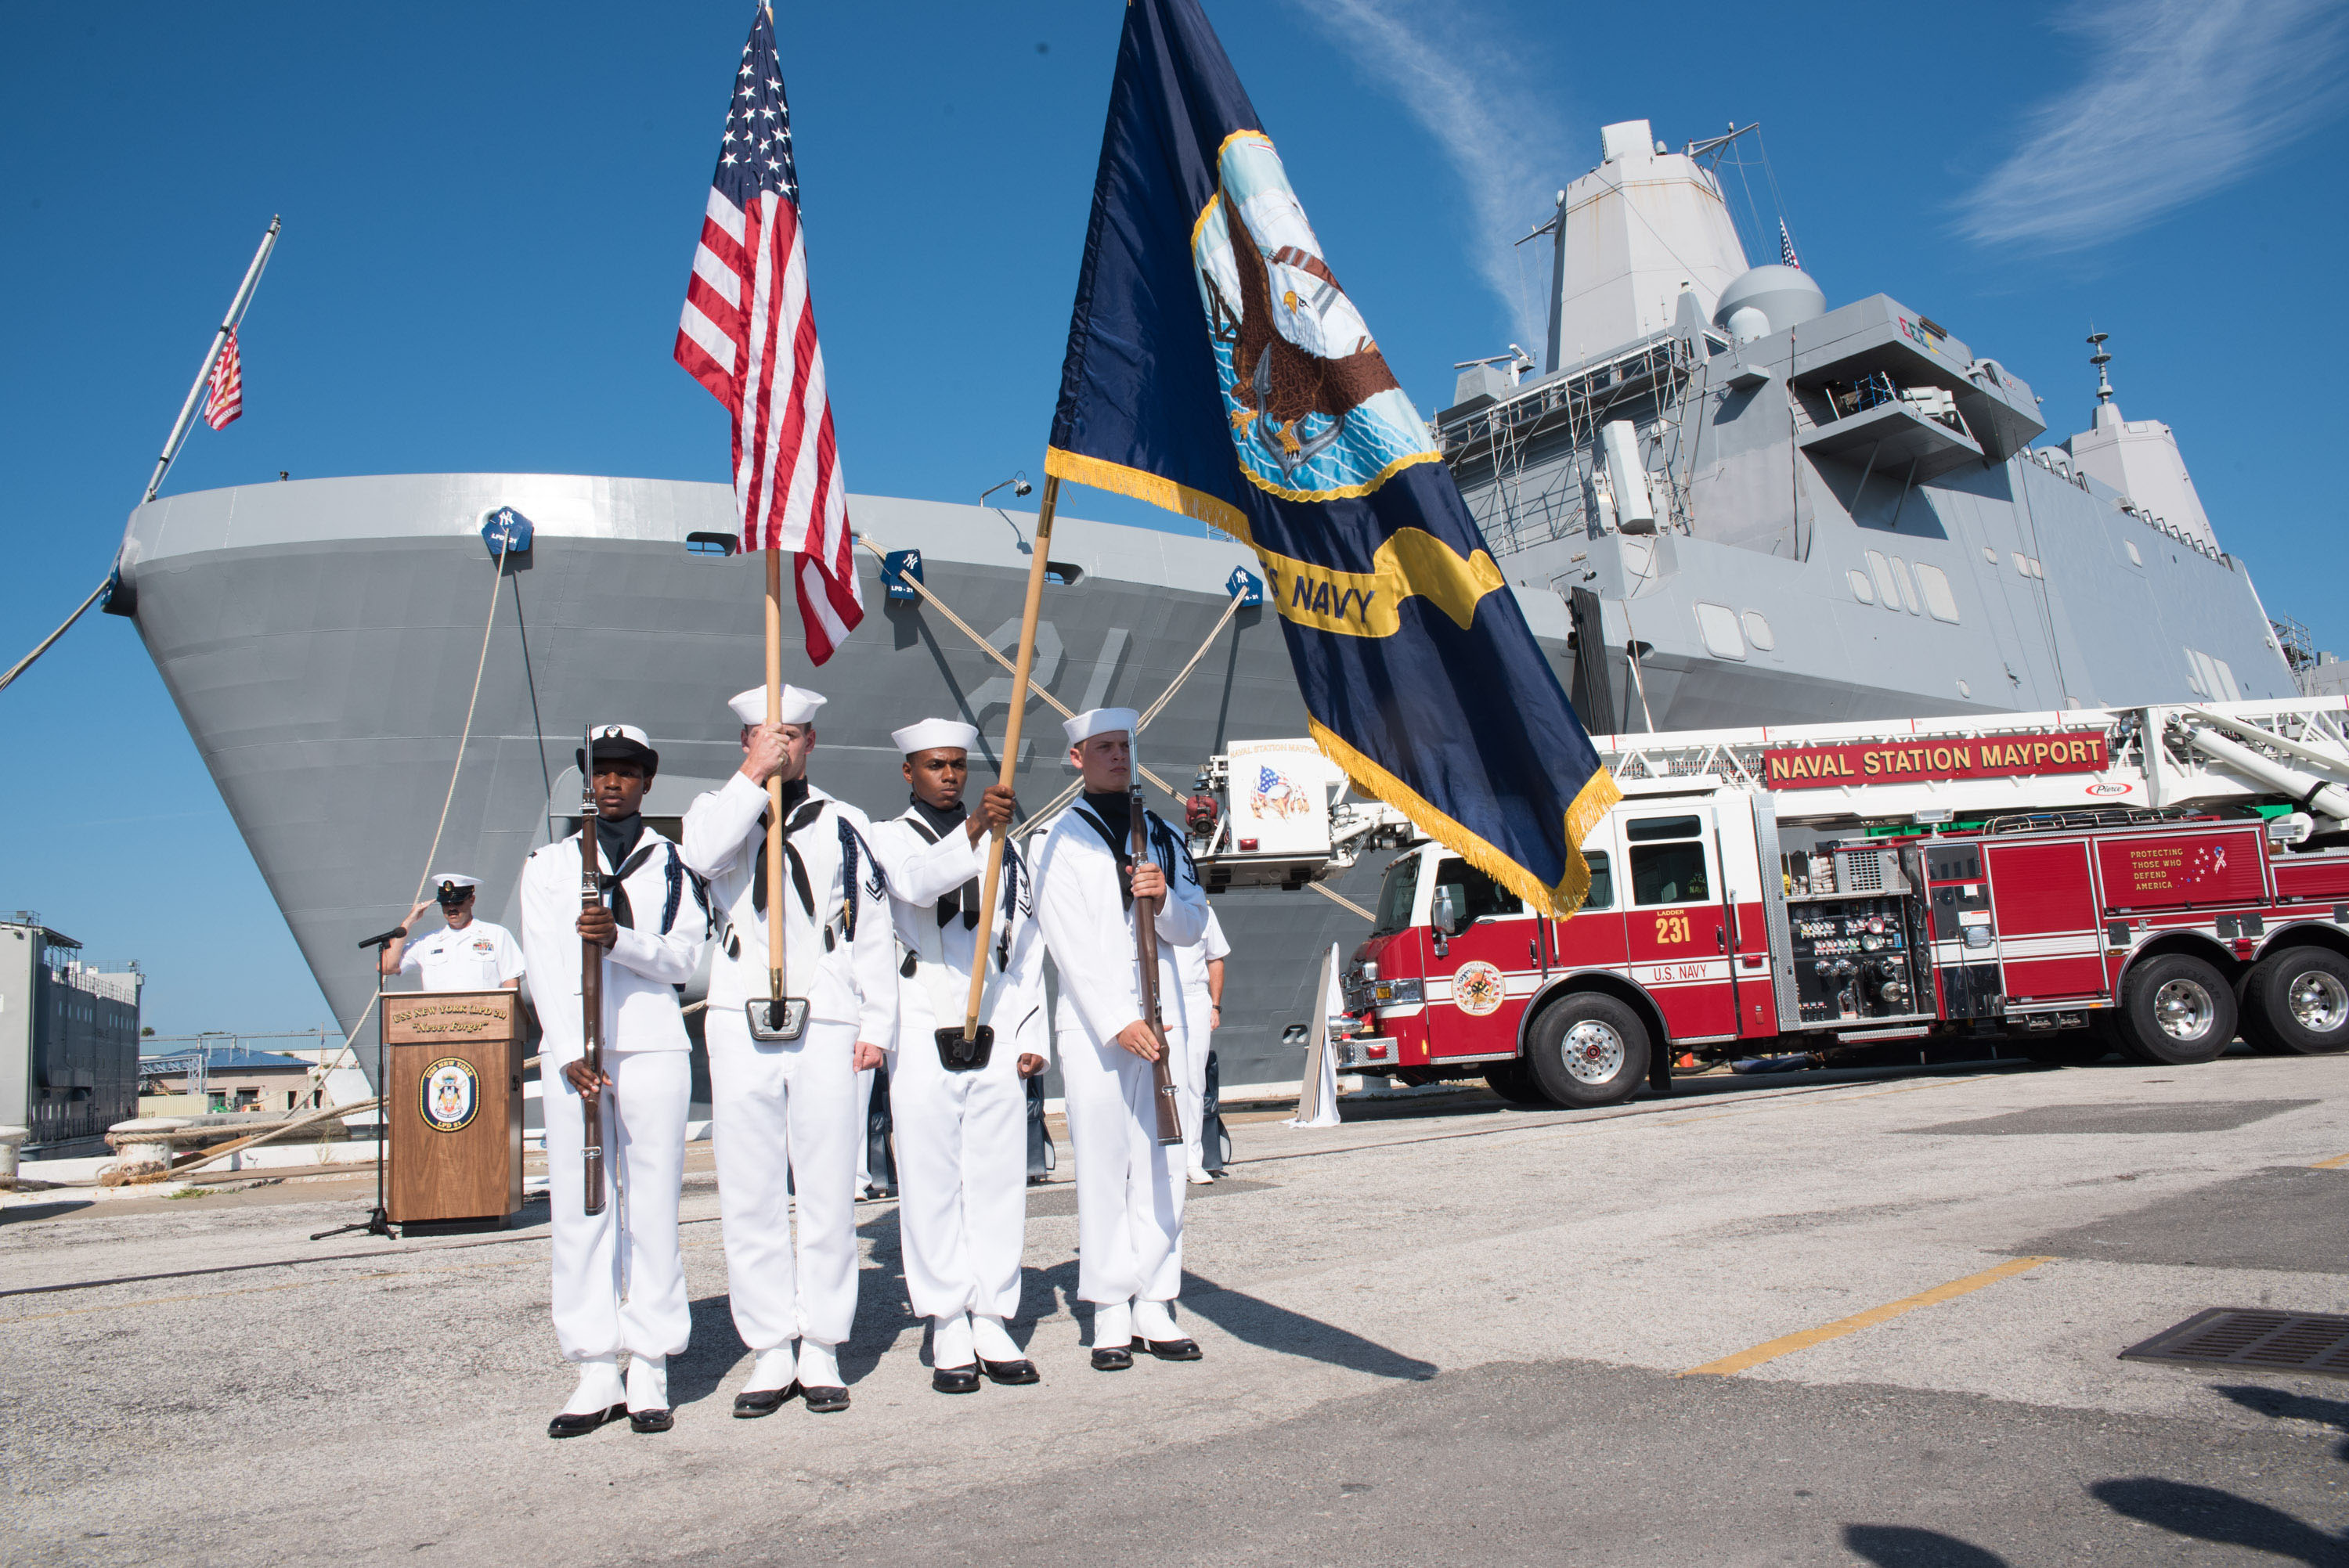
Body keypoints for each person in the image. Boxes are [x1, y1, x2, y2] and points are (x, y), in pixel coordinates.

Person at [681, 683, 895, 1418]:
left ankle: (823, 1343)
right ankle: (771, 1345)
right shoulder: (719, 813)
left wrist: (879, 1025)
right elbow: (703, 857)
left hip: (828, 1018)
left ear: (814, 743)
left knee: (830, 1188)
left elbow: (872, 928)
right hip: (742, 1017)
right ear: (747, 743)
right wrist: (752, 784)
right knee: (750, 1191)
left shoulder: (844, 823)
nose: (786, 746)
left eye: (797, 735)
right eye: (771, 737)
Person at [519, 724, 708, 1438]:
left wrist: (619, 940)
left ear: (647, 781)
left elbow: (685, 959)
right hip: (580, 1054)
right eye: (601, 772)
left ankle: (651, 1360)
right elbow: (542, 958)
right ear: (586, 780)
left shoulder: (675, 864)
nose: (613, 783)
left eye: (628, 772)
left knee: (652, 1206)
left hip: (654, 1044)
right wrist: (567, 1048)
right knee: (582, 1205)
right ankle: (595, 1364)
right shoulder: (549, 864)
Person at [864, 717, 1048, 1393]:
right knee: (932, 1177)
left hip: (995, 1021)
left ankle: (994, 1311)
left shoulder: (1012, 847)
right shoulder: (885, 838)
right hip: (923, 1021)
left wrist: (1033, 1035)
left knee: (996, 1176)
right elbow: (916, 885)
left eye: (958, 765)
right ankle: (947, 1319)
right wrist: (973, 831)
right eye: (935, 765)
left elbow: (1027, 948)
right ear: (909, 770)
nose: (949, 775)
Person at [1030, 707, 1209, 1370]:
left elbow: (1194, 924)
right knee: (1105, 1165)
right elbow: (1067, 944)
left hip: (1162, 1019)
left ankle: (1156, 1302)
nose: (1116, 756)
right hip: (1098, 1028)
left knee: (1164, 1161)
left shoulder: (1161, 834)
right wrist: (1117, 1020)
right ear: (1076, 758)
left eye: (1123, 745)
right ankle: (1109, 1310)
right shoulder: (1052, 838)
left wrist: (1164, 899)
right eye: (1101, 747)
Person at [380, 874, 524, 993]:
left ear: (471, 900)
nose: (452, 908)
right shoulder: (428, 942)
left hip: (485, 1022)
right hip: (439, 1023)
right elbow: (387, 967)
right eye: (446, 903)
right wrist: (408, 922)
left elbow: (511, 983)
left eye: (458, 902)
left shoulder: (497, 935)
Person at [1172, 905, 1229, 1184]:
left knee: (1196, 1081)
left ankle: (1192, 1159)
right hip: (1161, 995)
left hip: (1195, 997)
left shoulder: (1203, 910)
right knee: (1157, 1081)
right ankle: (1158, 1160)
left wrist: (1215, 1005)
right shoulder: (1146, 903)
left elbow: (1216, 957)